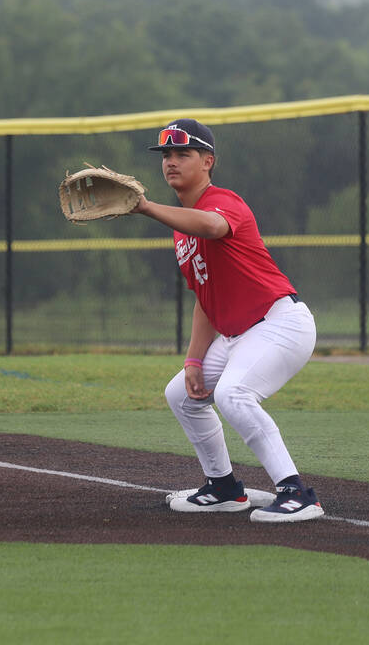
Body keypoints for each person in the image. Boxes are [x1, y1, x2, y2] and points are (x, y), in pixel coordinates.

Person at [132, 118, 324, 523]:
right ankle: (223, 488)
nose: (171, 162)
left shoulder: (223, 201)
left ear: (208, 161)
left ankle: (296, 492)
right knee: (181, 395)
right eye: (166, 154)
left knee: (233, 394)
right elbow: (207, 299)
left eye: (183, 153)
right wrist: (193, 361)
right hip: (240, 334)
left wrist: (147, 208)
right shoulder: (181, 229)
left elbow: (215, 226)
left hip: (280, 324)